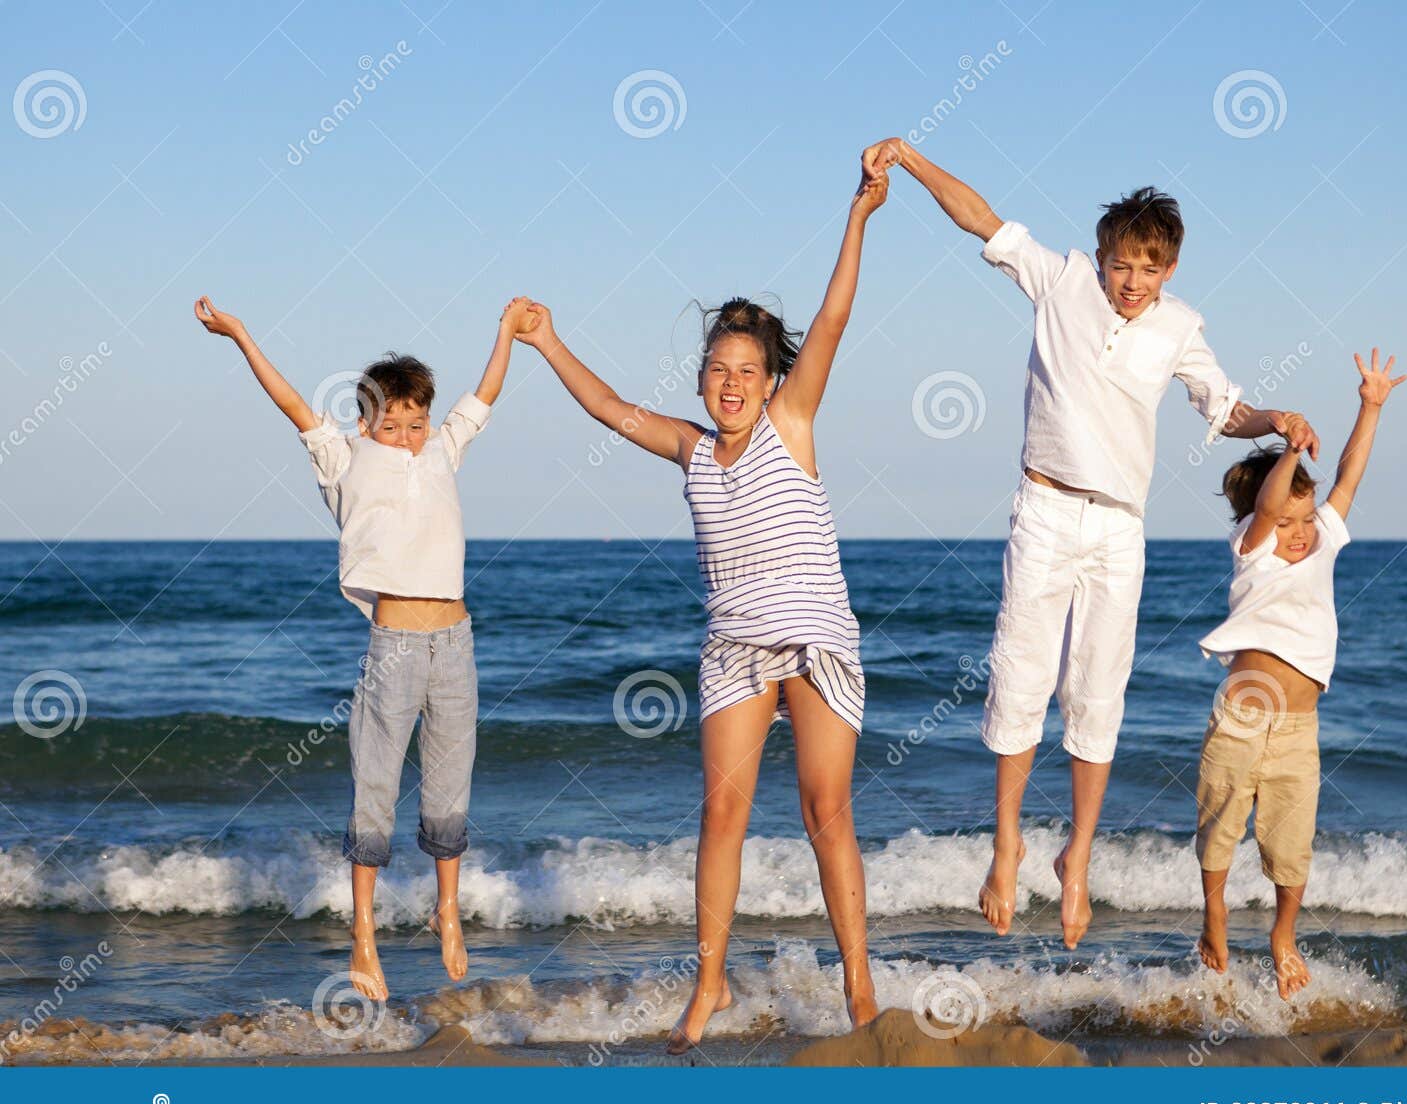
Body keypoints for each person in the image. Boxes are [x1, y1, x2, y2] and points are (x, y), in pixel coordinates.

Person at [861, 136, 1319, 948]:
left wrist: (1274, 419)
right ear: (1102, 257)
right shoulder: (1063, 280)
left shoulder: (1180, 326)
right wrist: (912, 158)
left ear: (1169, 269)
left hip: (1117, 527)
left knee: (1098, 693)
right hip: (1043, 507)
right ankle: (1007, 845)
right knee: (1018, 675)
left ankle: (1078, 856)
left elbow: (1223, 409)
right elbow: (982, 220)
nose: (1131, 282)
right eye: (1121, 264)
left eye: (1148, 268)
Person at [515, 163, 888, 1054]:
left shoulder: (790, 425)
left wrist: (858, 217)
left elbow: (831, 319)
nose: (729, 383)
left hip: (817, 642)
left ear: (769, 383)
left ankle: (860, 981)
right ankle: (710, 980)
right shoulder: (688, 451)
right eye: (717, 369)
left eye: (745, 371)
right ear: (702, 378)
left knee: (824, 809)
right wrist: (549, 340)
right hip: (735, 649)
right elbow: (609, 408)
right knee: (721, 815)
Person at [194, 293, 538, 1000]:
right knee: (373, 791)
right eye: (394, 422)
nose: (409, 433)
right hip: (395, 646)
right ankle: (363, 938)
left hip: (457, 642)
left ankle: (448, 910)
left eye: (418, 421)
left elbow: (487, 392)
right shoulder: (343, 458)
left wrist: (506, 330)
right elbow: (290, 401)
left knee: (450, 787)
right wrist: (241, 335)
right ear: (366, 420)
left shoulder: (444, 449)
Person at [1194, 349, 1406, 998]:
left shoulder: (1322, 537)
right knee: (1218, 828)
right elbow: (1267, 505)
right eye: (1289, 519)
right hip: (1241, 715)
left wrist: (1370, 405)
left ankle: (1283, 933)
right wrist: (1287, 445)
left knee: (1292, 847)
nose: (1298, 531)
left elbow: (1346, 476)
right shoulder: (1253, 546)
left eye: (1306, 519)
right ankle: (1215, 912)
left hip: (1297, 727)